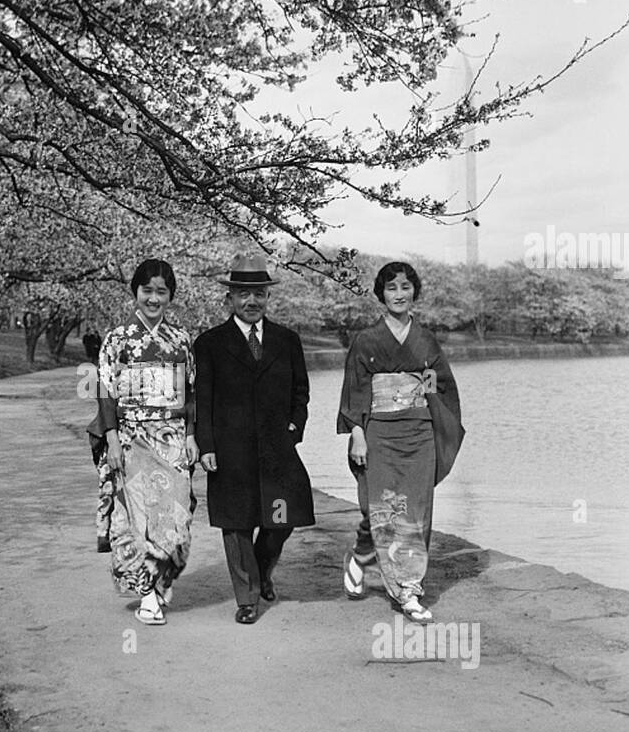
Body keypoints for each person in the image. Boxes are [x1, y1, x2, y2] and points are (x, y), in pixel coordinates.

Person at [337, 261, 464, 621]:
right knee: (380, 507)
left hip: (419, 432)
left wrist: (432, 418)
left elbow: (439, 388)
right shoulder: (366, 340)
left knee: (416, 511)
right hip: (379, 431)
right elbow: (355, 391)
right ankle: (365, 554)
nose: (399, 294)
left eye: (405, 287)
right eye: (391, 288)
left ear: (414, 293)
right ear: (382, 294)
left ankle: (408, 589)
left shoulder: (425, 340)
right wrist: (358, 434)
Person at [193, 251, 314, 625]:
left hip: (277, 446)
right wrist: (207, 445)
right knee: (237, 521)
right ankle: (247, 597)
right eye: (243, 294)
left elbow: (300, 392)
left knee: (283, 516)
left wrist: (295, 428)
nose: (251, 301)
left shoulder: (287, 340)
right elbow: (203, 401)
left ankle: (262, 571)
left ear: (268, 297)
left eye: (259, 293)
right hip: (231, 448)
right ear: (229, 298)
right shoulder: (210, 343)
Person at [87, 259, 198, 625]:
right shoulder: (117, 340)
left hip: (172, 437)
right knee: (137, 520)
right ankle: (148, 595)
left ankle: (162, 579)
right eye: (147, 290)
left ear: (171, 296)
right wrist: (113, 440)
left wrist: (193, 437)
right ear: (135, 291)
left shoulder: (180, 340)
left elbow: (191, 394)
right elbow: (105, 393)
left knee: (176, 517)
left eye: (161, 292)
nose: (153, 298)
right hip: (131, 437)